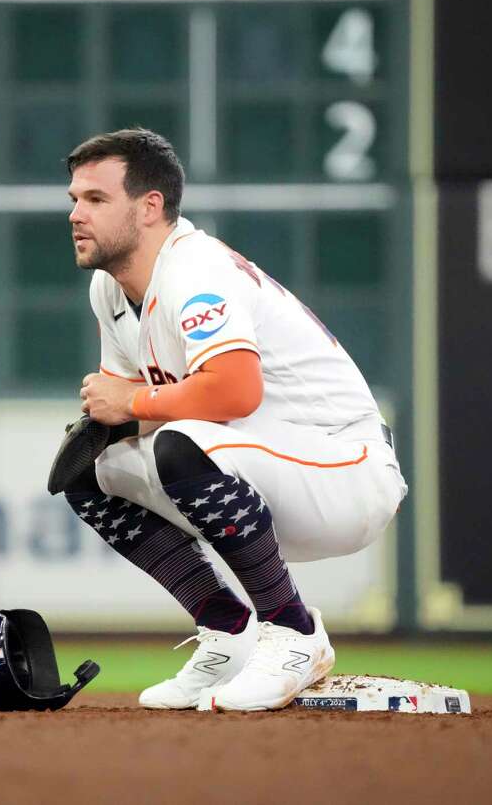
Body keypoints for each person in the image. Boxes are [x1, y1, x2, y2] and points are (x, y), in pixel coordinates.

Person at [60, 129, 407, 711]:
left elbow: (235, 390)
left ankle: (293, 632)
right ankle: (230, 632)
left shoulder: (193, 271)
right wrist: (125, 408)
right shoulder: (109, 288)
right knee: (88, 472)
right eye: (74, 198)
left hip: (344, 468)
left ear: (150, 208)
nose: (75, 213)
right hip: (261, 466)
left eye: (95, 199)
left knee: (179, 444)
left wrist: (134, 403)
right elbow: (133, 407)